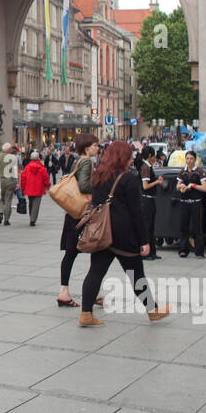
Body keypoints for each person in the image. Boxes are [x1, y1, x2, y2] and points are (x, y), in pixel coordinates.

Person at [77, 140, 170, 326]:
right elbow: (136, 212)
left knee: (95, 272)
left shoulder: (99, 176)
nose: (132, 158)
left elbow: (95, 202)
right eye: (130, 155)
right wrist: (144, 240)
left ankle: (85, 314)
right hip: (124, 235)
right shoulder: (129, 178)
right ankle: (152, 310)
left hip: (102, 232)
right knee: (136, 274)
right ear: (123, 157)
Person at [57, 134, 102, 307]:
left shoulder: (77, 161)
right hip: (82, 214)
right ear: (87, 147)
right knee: (96, 250)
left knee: (71, 253)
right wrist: (98, 185)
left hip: (72, 213)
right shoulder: (87, 162)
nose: (97, 149)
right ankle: (93, 292)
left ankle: (64, 291)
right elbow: (83, 185)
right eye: (95, 146)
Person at [176, 150, 206, 258]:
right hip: (184, 202)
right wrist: (182, 187)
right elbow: (177, 186)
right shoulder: (183, 171)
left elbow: (204, 188)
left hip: (196, 203)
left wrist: (193, 185)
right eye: (187, 158)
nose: (189, 161)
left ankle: (199, 251)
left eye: (191, 159)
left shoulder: (199, 171)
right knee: (183, 226)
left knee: (197, 227)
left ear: (195, 160)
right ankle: (183, 250)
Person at [138, 145, 163, 259]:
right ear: (149, 156)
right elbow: (145, 185)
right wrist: (157, 182)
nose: (155, 159)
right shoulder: (145, 167)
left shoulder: (148, 167)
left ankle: (152, 251)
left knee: (151, 226)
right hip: (146, 199)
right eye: (153, 156)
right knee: (147, 226)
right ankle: (146, 252)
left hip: (150, 199)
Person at [21, 150, 50, 227]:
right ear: (38, 159)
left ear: (31, 158)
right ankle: (33, 219)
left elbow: (23, 178)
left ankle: (31, 216)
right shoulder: (41, 168)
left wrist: (22, 188)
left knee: (31, 203)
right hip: (39, 188)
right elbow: (46, 178)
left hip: (29, 188)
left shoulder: (27, 167)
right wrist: (48, 185)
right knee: (36, 205)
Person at [0, 141, 19, 226]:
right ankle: (6, 220)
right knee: (8, 200)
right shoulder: (13, 158)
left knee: (0, 198)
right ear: (9, 149)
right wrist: (17, 182)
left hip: (0, 180)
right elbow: (16, 170)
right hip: (10, 180)